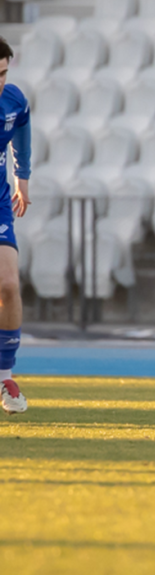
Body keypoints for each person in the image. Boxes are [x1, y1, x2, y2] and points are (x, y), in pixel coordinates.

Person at [0, 37, 32, 414]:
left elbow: (21, 123)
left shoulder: (12, 99)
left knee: (8, 283)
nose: (1, 83)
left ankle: (5, 378)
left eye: (4, 73)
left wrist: (22, 176)